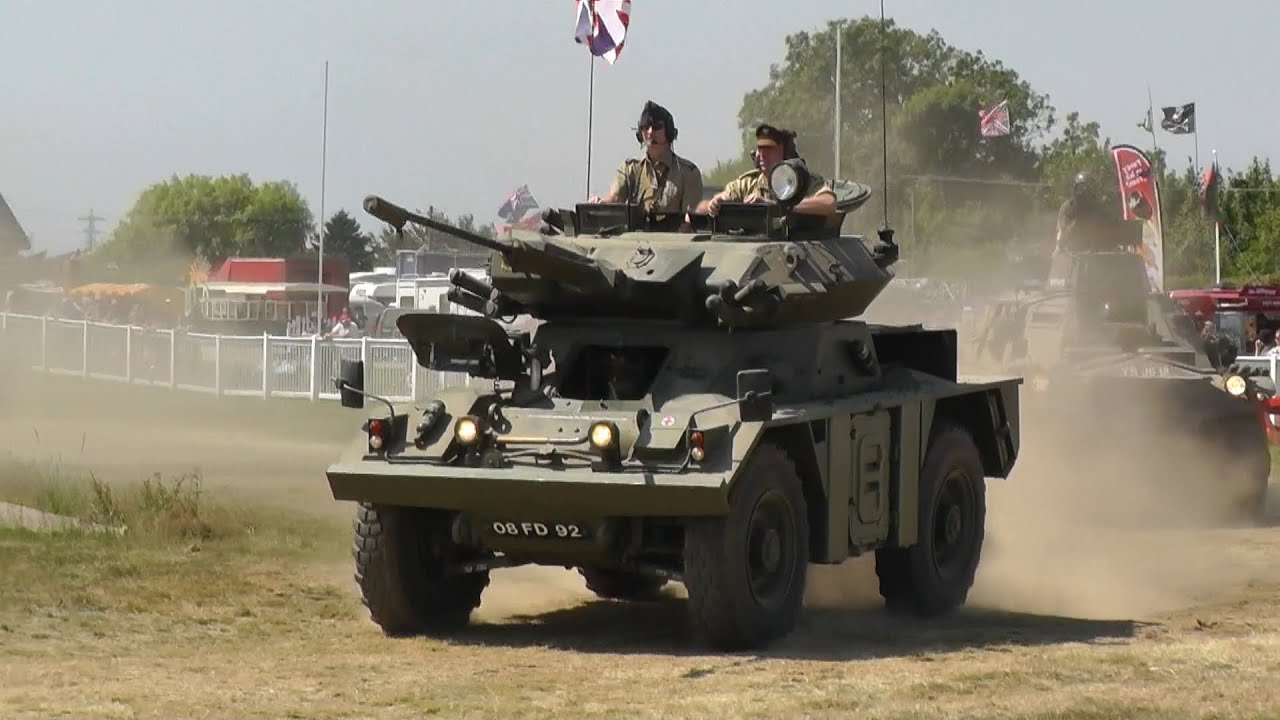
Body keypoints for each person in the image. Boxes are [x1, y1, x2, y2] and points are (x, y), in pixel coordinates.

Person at [697, 123, 837, 218]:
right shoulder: (748, 184)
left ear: (785, 152)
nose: (762, 155)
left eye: (769, 149)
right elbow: (702, 207)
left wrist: (779, 207)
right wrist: (714, 205)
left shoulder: (802, 182)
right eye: (760, 149)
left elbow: (829, 203)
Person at [590, 100, 703, 215]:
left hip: (671, 232)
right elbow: (615, 199)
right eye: (645, 127)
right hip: (636, 232)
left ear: (668, 131)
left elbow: (691, 219)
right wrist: (600, 204)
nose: (650, 132)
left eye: (656, 127)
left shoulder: (687, 173)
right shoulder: (630, 168)